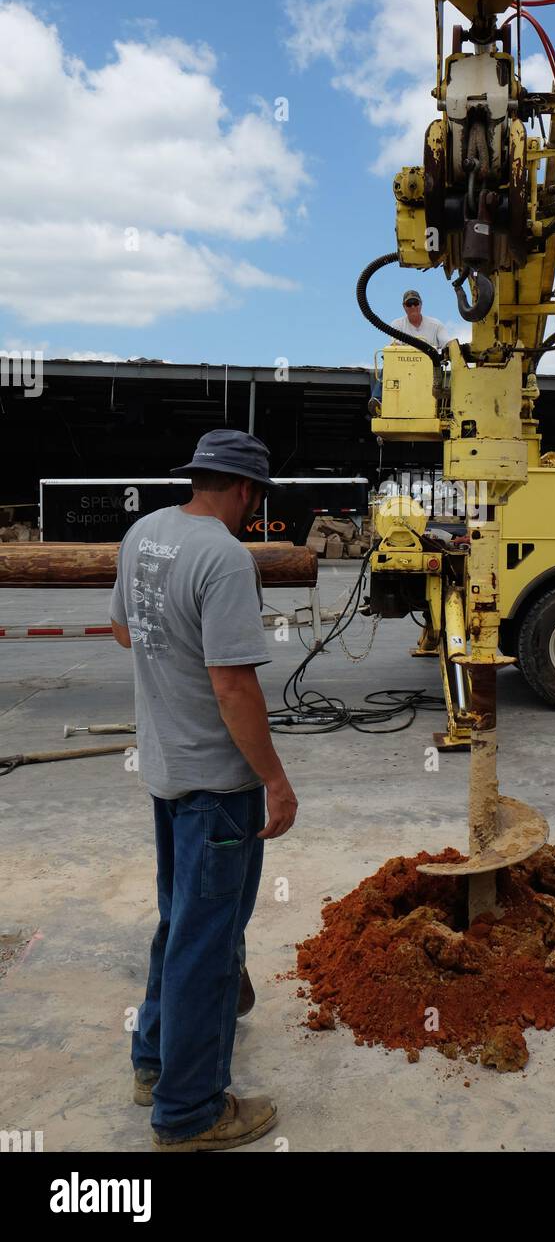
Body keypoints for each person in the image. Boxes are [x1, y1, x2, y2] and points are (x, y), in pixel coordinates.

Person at [110, 429, 298, 1151]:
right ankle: (191, 1112)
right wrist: (274, 782)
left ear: (199, 477)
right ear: (248, 491)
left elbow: (128, 633)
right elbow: (232, 683)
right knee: (209, 945)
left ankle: (155, 1063)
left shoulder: (143, 534)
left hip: (164, 770)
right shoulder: (223, 557)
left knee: (180, 924)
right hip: (219, 785)